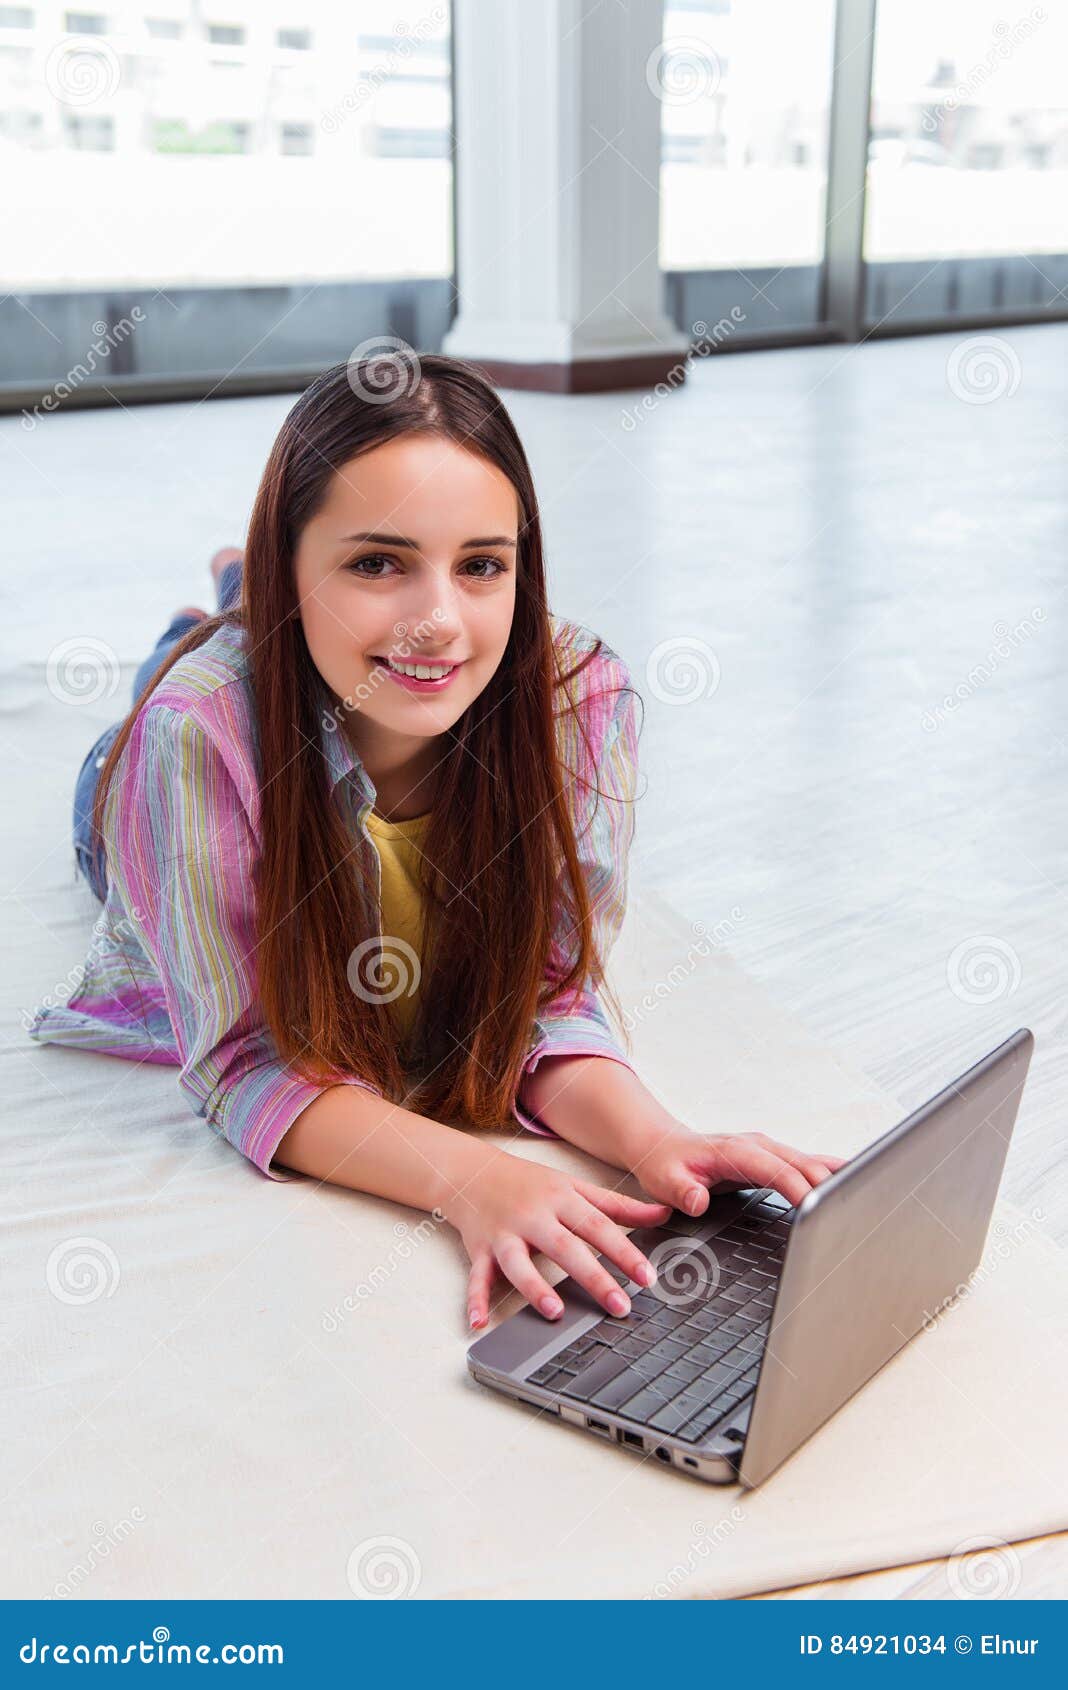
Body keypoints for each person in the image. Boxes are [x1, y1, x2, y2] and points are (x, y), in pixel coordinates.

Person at [29, 353, 844, 1331]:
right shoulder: (193, 737)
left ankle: (231, 590)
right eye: (377, 562)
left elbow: (544, 998)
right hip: (136, 782)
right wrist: (475, 1179)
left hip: (298, 647)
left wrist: (655, 1139)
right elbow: (244, 1061)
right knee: (174, 668)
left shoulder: (579, 699)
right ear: (297, 565)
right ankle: (210, 611)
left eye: (482, 565)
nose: (439, 623)